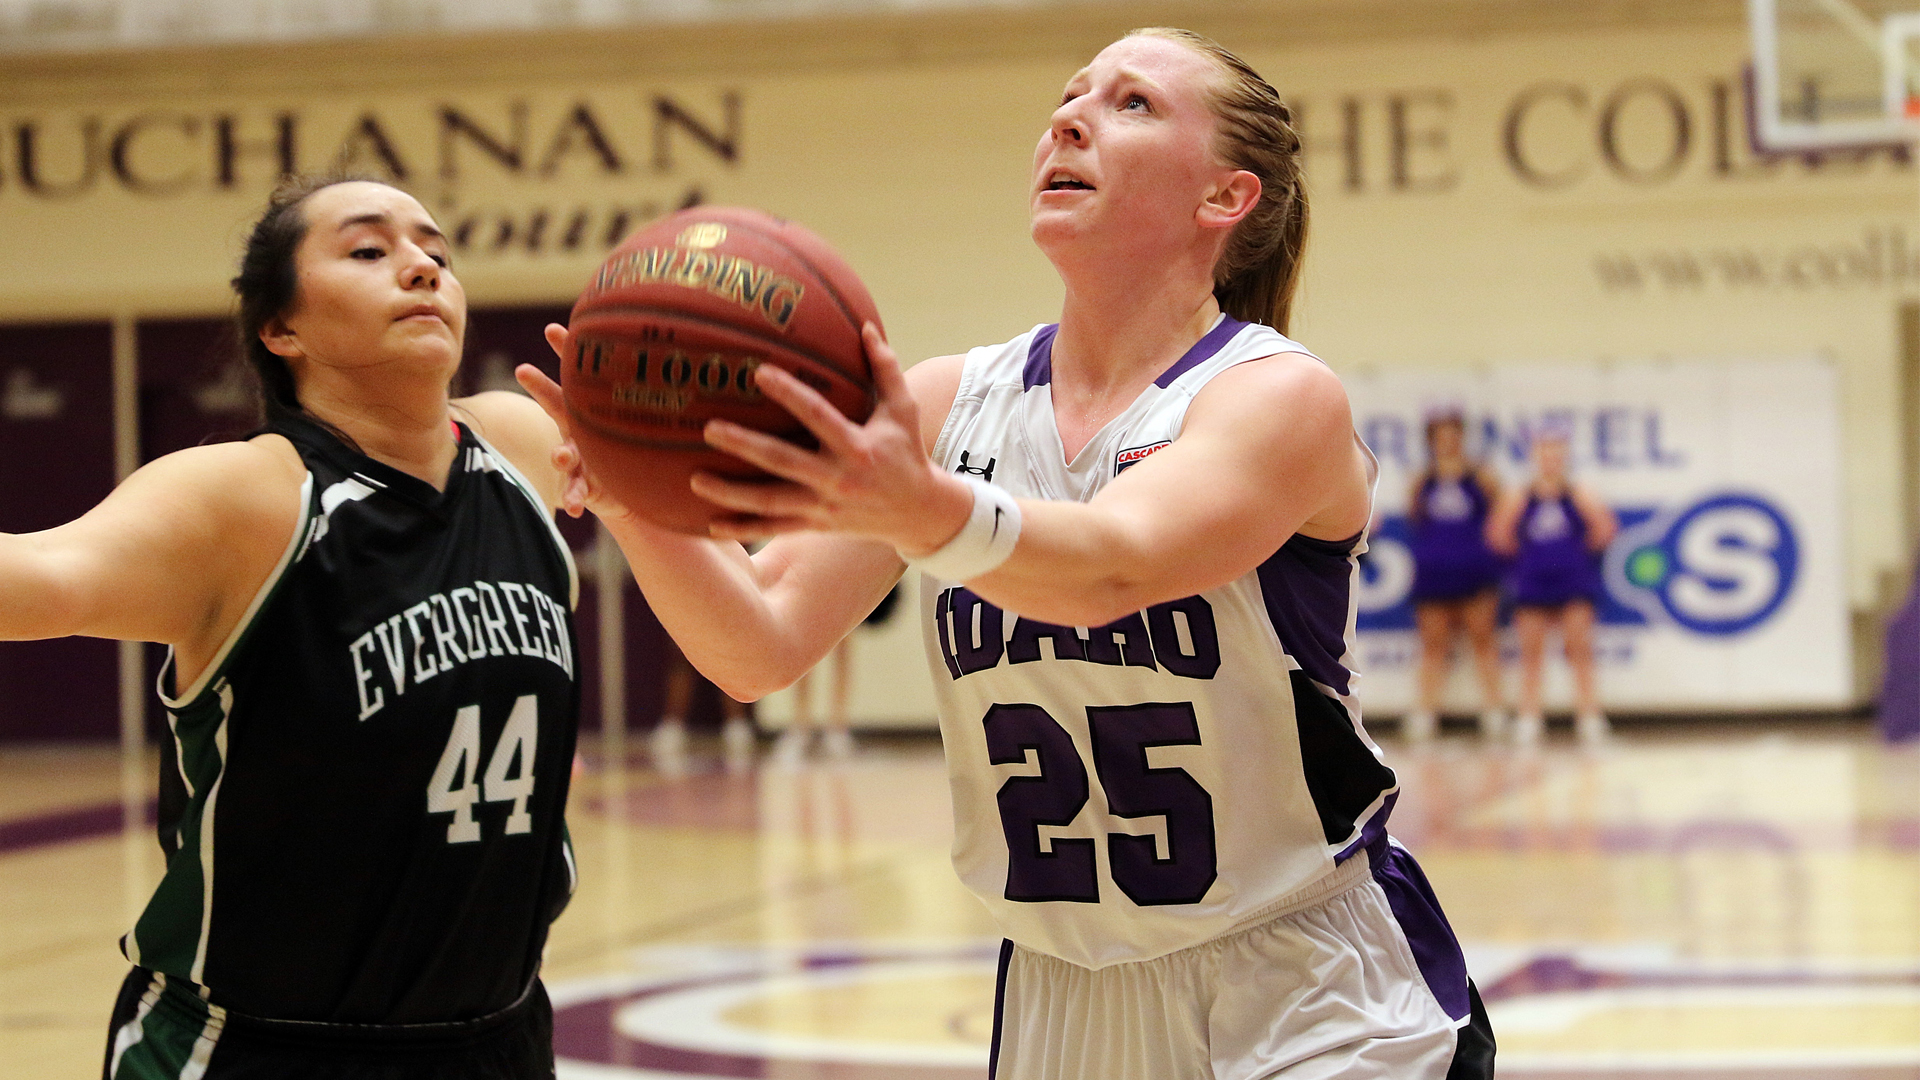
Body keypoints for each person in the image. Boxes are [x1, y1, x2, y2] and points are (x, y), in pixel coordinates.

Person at [523, 26, 1492, 1079]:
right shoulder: (949, 402)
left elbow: (1119, 563)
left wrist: (923, 506)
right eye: (1071, 96)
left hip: (1307, 981)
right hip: (1057, 992)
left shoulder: (1276, 396)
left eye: (1131, 104)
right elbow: (757, 643)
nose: (1069, 116)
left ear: (1226, 198)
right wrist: (633, 504)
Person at [0, 175, 583, 1078]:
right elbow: (42, 581)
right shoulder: (248, 495)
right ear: (282, 329)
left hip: (498, 1039)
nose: (422, 267)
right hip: (256, 1050)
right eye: (368, 250)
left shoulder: (522, 444)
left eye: (437, 250)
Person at [1487, 426, 1617, 746]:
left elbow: (1604, 530)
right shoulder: (1520, 494)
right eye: (1545, 454)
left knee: (1579, 649)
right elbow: (1497, 535)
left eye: (1556, 454)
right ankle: (1530, 717)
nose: (1550, 460)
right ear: (1535, 457)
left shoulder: (1579, 492)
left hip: (1573, 581)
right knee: (1531, 653)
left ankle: (1588, 716)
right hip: (1533, 583)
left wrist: (1572, 554)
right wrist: (1532, 558)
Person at [1403, 410, 1507, 741]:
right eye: (1440, 437)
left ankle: (1494, 711)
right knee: (1433, 646)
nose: (1447, 442)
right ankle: (1426, 713)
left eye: (1453, 436)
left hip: (1474, 570)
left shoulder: (1482, 478)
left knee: (1483, 640)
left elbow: (1499, 518)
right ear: (1431, 441)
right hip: (1434, 571)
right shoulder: (1422, 480)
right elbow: (1415, 518)